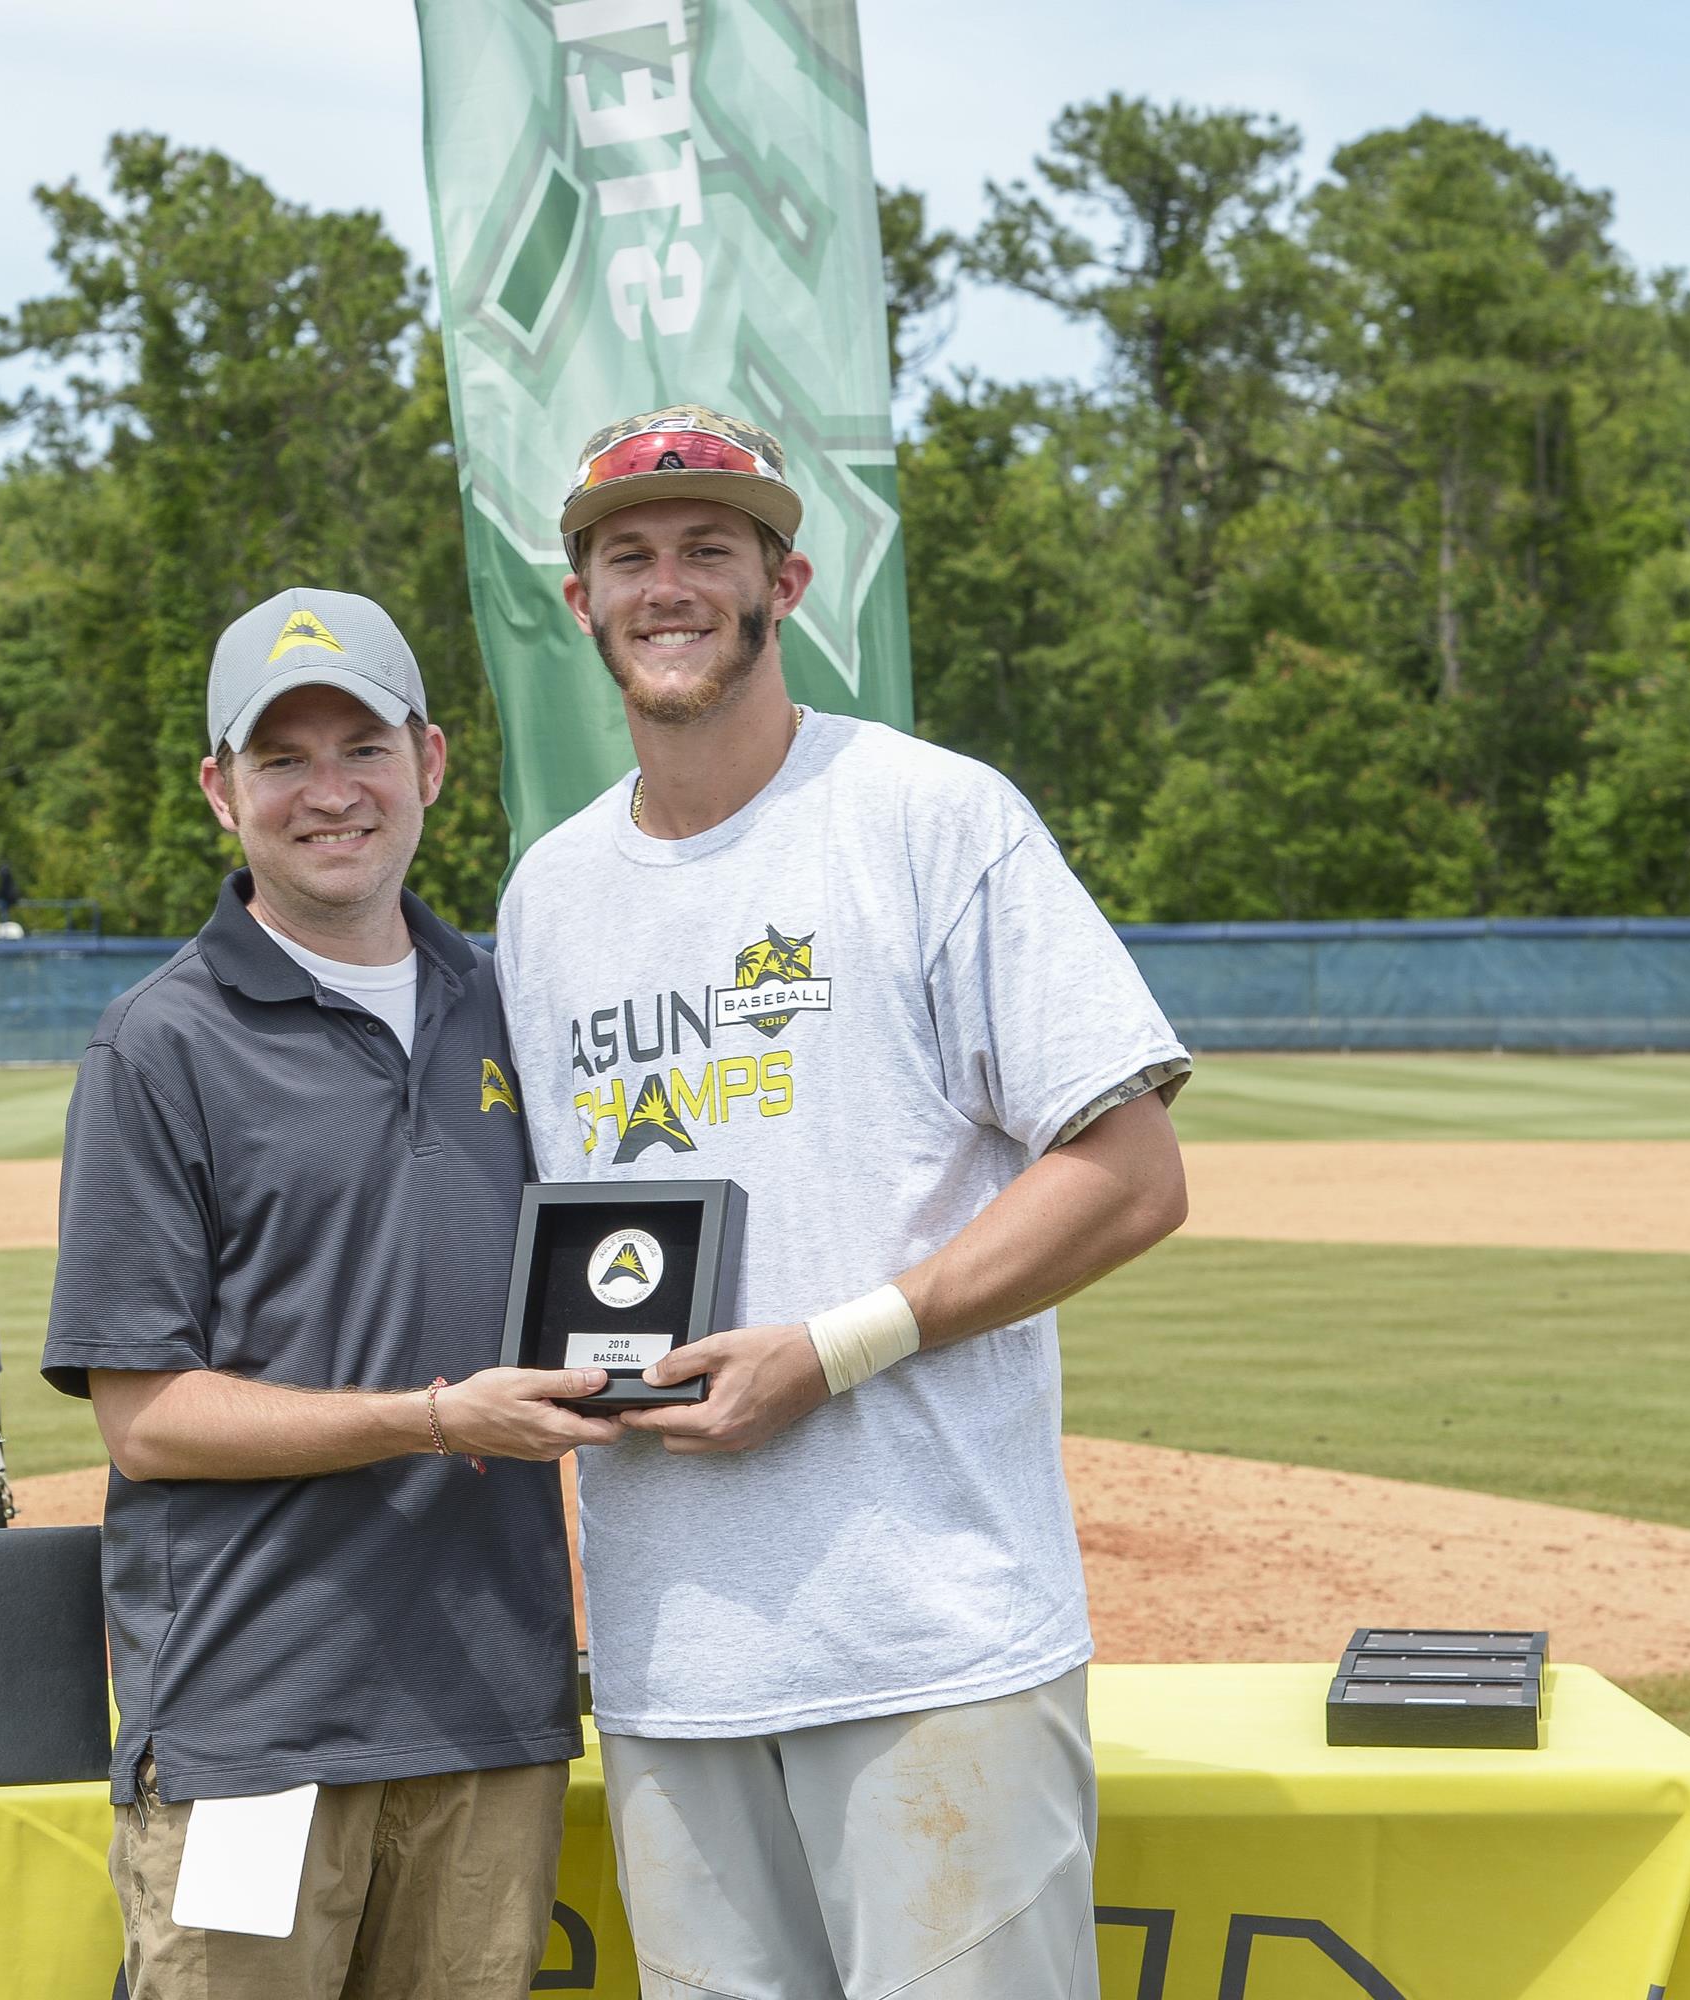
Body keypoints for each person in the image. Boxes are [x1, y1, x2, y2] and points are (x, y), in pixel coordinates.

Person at [492, 407, 1195, 2000]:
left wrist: (836, 1346)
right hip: (675, 1664)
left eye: (708, 549)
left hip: (931, 1644)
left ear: (785, 581)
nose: (666, 583)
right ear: (578, 600)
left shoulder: (927, 815)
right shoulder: (549, 896)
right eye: (628, 555)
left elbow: (1131, 1172)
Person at [41, 587, 615, 2000]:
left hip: (490, 1715)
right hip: (257, 1726)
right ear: (219, 791)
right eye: (281, 758)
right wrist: (432, 1416)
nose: (329, 793)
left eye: (359, 745)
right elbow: (150, 1422)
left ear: (428, 763)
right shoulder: (157, 1044)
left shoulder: (517, 1006)